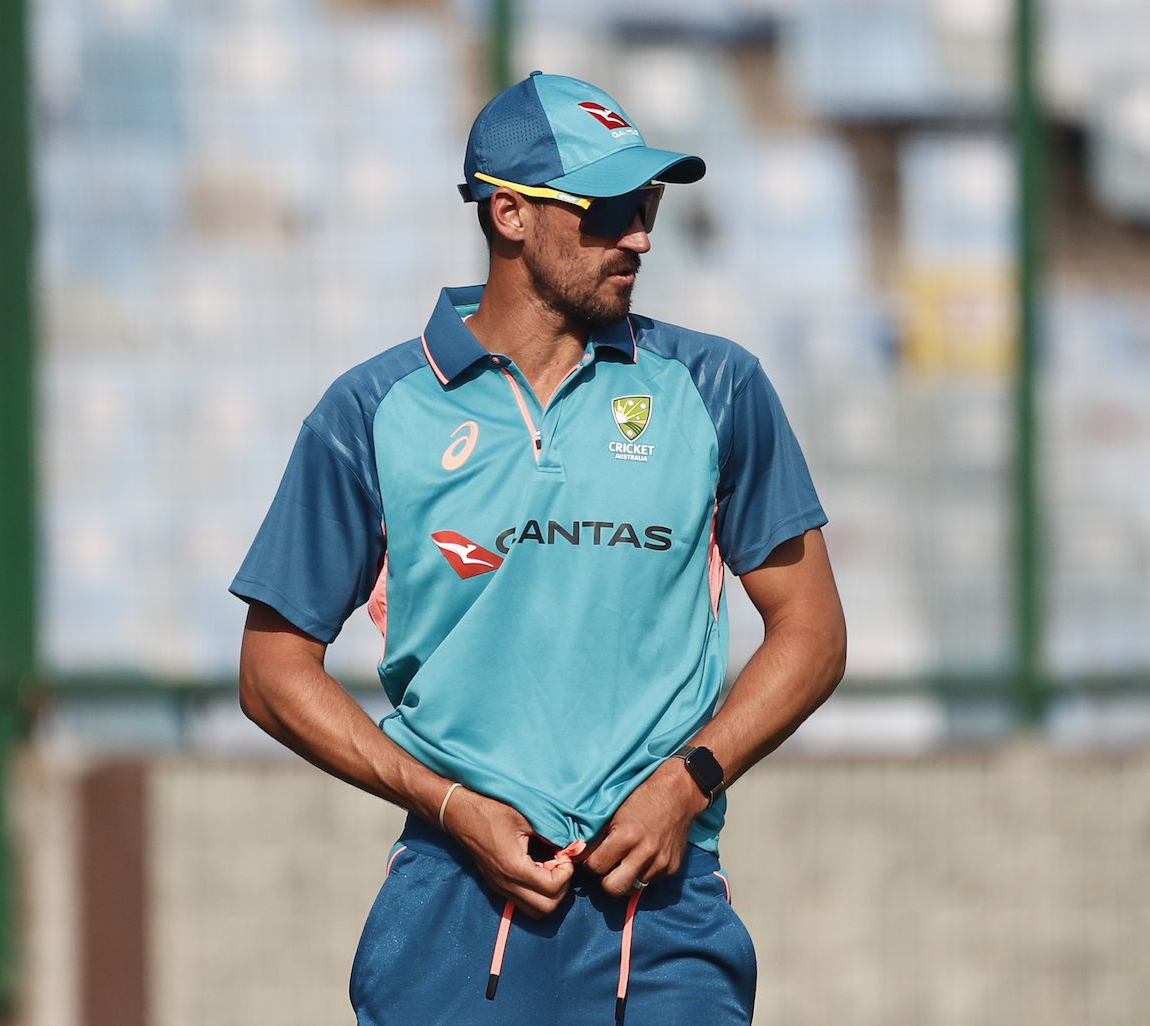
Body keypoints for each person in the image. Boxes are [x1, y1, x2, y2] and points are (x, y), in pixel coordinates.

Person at [232, 71, 846, 1025]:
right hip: (448, 904)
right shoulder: (371, 411)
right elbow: (273, 671)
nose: (640, 233)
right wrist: (450, 806)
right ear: (509, 215)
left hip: (667, 912)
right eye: (608, 210)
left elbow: (812, 631)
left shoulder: (718, 386)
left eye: (648, 206)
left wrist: (691, 781)